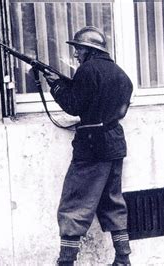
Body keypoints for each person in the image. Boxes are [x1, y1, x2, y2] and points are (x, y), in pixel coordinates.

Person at [43, 26, 133, 266]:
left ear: (90, 50)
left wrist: (56, 85)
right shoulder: (121, 74)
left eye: (79, 49)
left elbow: (74, 105)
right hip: (114, 142)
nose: (76, 55)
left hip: (92, 146)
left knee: (74, 203)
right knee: (112, 202)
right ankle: (123, 259)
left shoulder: (87, 70)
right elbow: (113, 107)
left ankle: (66, 262)